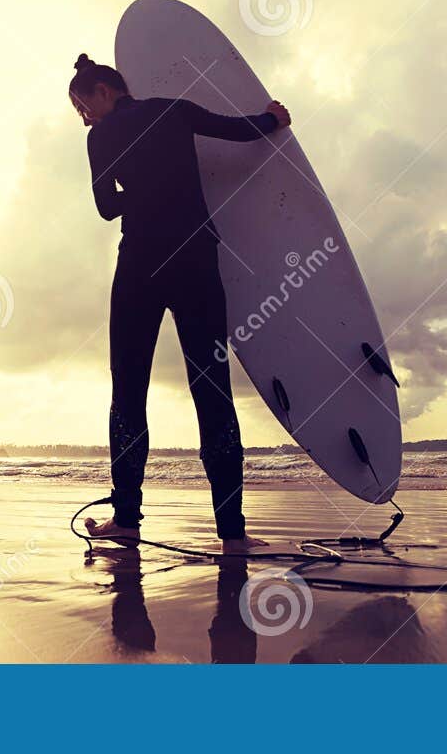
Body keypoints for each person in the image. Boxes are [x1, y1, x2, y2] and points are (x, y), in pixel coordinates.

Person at [69, 53, 290, 555]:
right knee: (212, 389)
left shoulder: (99, 137)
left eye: (84, 106)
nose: (84, 117)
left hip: (140, 265)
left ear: (105, 91)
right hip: (196, 260)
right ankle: (232, 533)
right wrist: (273, 118)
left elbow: (106, 207)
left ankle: (127, 521)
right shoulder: (174, 109)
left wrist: (144, 197)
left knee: (128, 391)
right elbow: (239, 131)